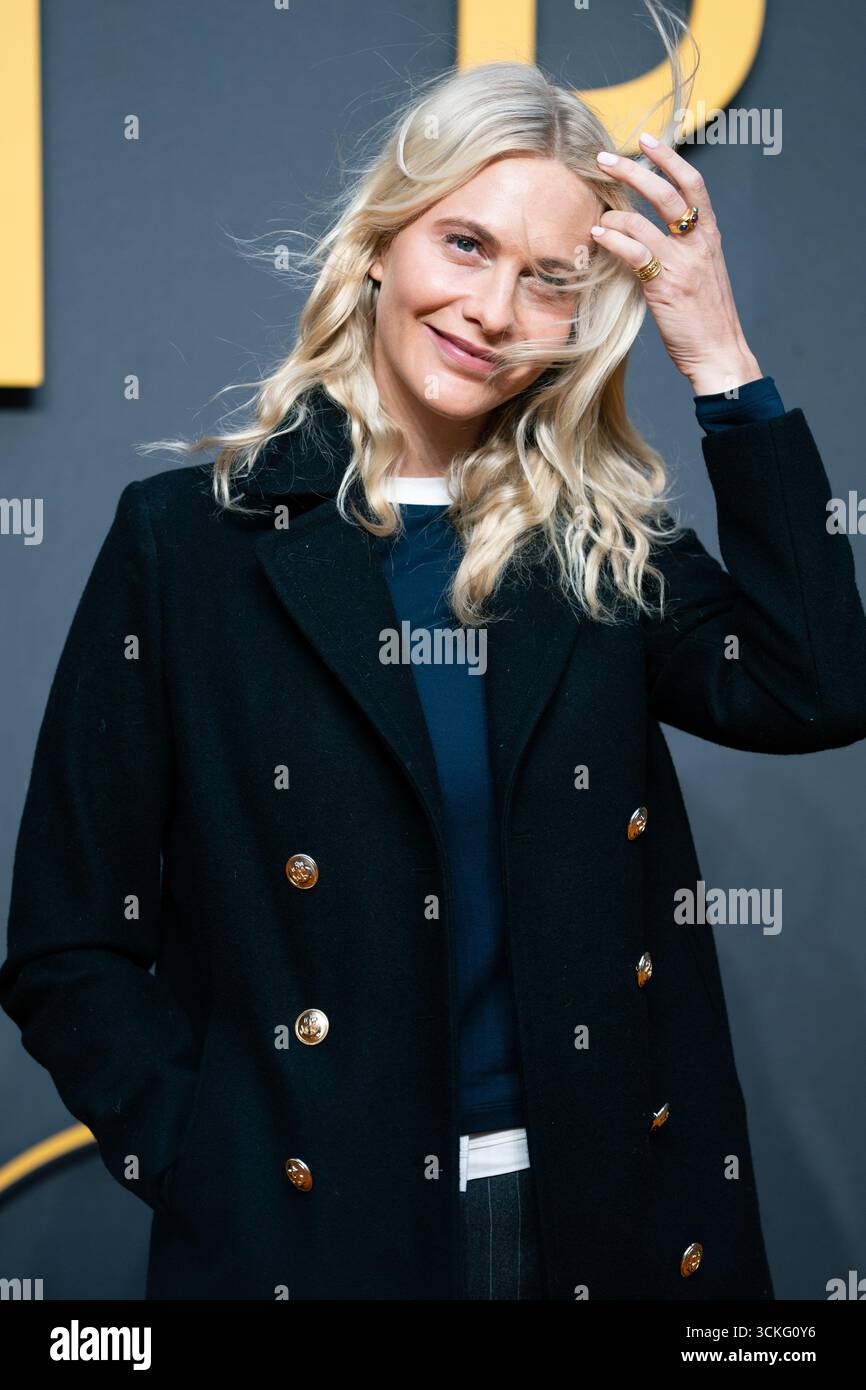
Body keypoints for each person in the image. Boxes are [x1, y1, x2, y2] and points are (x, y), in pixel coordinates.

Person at [3, 34, 866, 1300]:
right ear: (382, 244)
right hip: (313, 1231)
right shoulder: (190, 542)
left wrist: (714, 347)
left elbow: (813, 685)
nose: (491, 311)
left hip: (598, 1218)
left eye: (547, 279)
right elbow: (68, 938)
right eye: (464, 244)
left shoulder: (599, 543)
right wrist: (207, 1159)